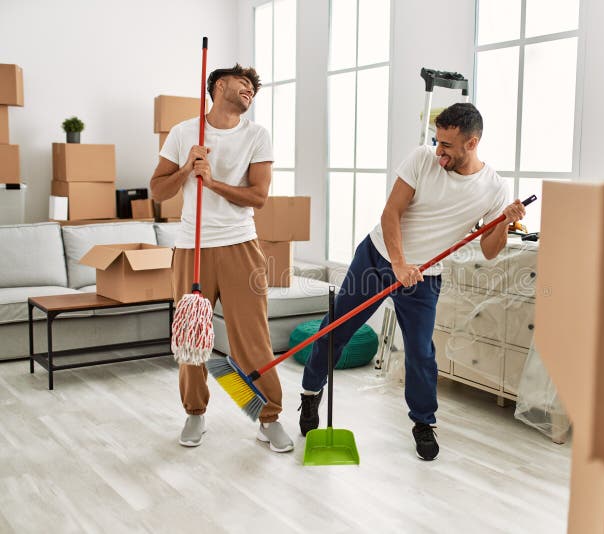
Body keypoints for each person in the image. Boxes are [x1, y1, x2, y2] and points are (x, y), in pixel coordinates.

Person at [298, 103, 525, 460]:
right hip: (377, 258)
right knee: (336, 329)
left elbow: (491, 250)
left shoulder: (493, 188)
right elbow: (391, 213)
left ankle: (423, 421)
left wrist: (502, 222)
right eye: (437, 141)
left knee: (421, 353)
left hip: (425, 277)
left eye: (447, 145)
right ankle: (310, 394)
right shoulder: (422, 159)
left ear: (472, 143)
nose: (439, 151)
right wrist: (400, 263)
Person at [150, 64, 293, 452]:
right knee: (191, 337)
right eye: (243, 84)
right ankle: (195, 413)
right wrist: (186, 170)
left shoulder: (257, 136)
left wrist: (212, 182)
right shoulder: (183, 133)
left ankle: (267, 417)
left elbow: (259, 197)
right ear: (217, 86)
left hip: (240, 244)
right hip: (191, 248)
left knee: (252, 340)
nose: (249, 91)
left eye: (253, 89)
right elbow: (157, 191)